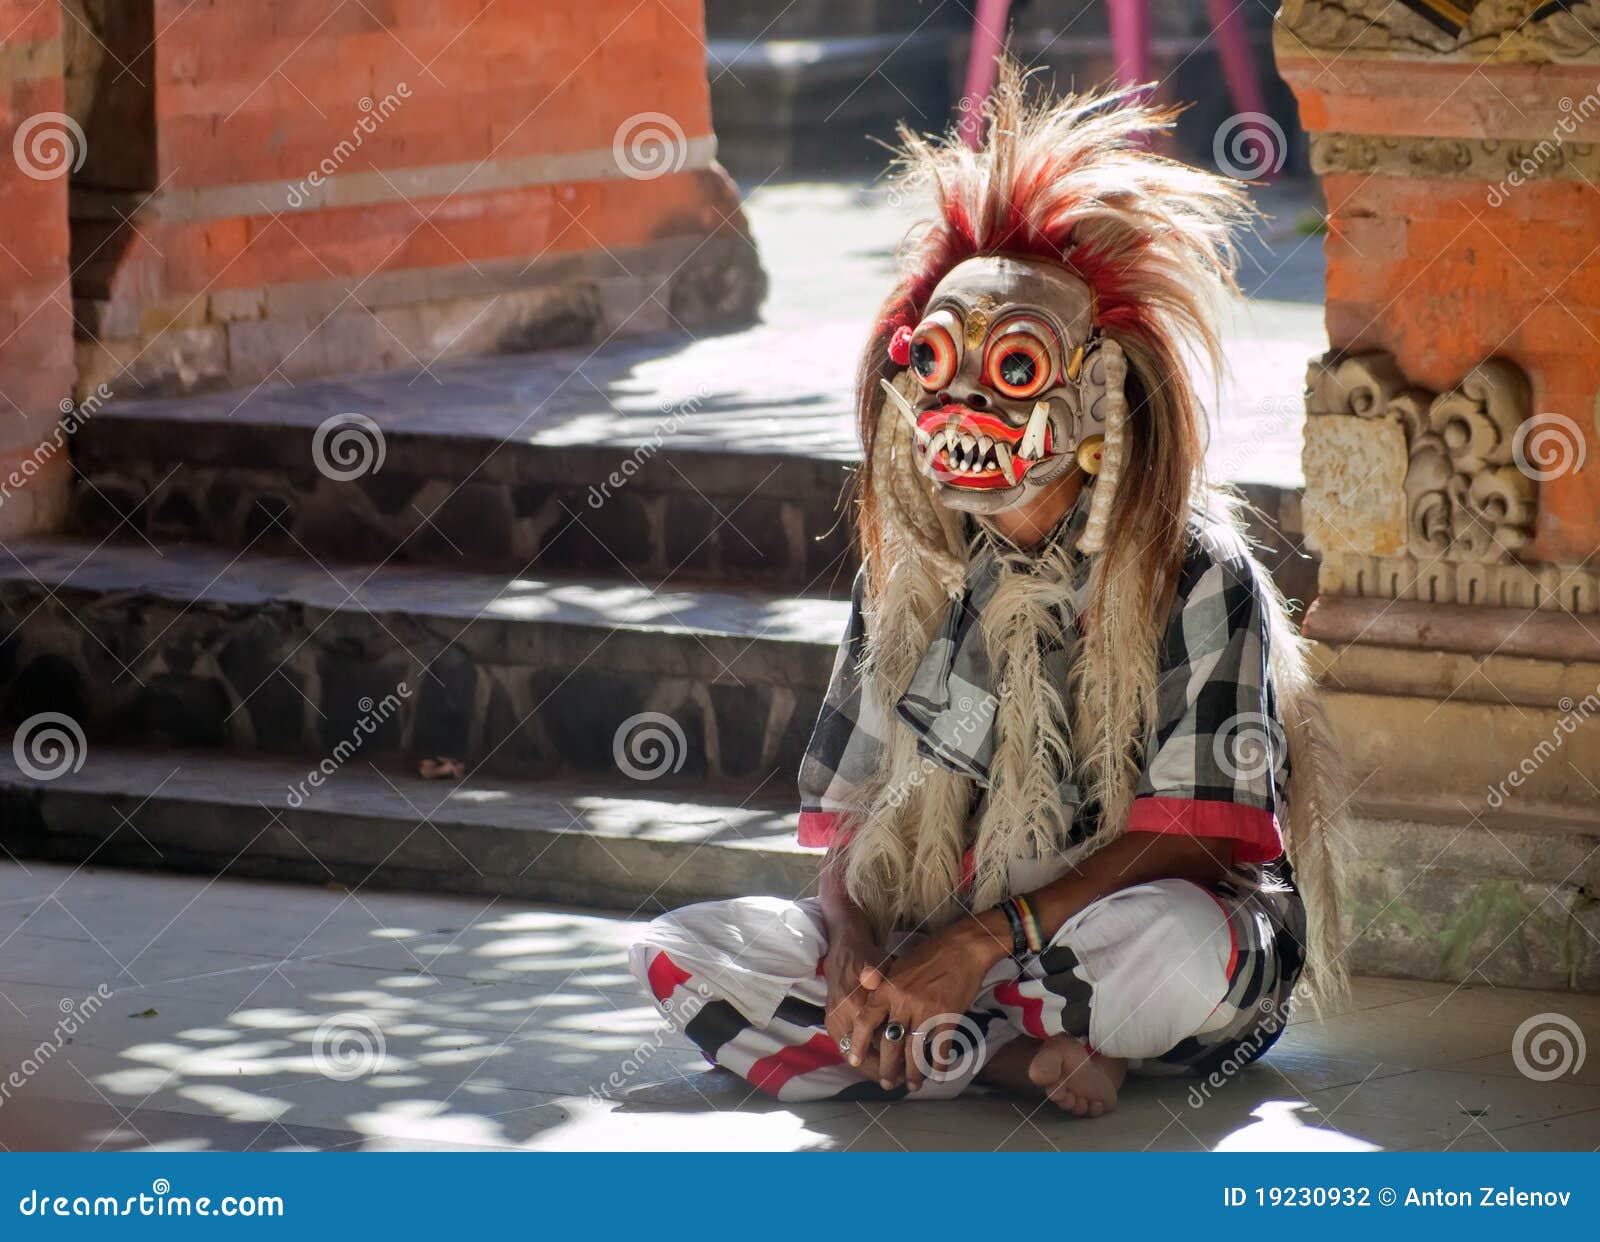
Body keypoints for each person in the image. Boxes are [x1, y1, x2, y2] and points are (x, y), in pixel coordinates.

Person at [629, 61, 1346, 1117]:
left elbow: (1200, 832)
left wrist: (980, 943)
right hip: (945, 932)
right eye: (934, 362)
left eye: (1011, 368)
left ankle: (951, 1035)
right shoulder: (912, 575)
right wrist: (852, 952)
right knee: (680, 953)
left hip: (1098, 935)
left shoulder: (1197, 569)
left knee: (1163, 953)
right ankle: (996, 1053)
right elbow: (854, 818)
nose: (960, 401)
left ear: (1097, 393)